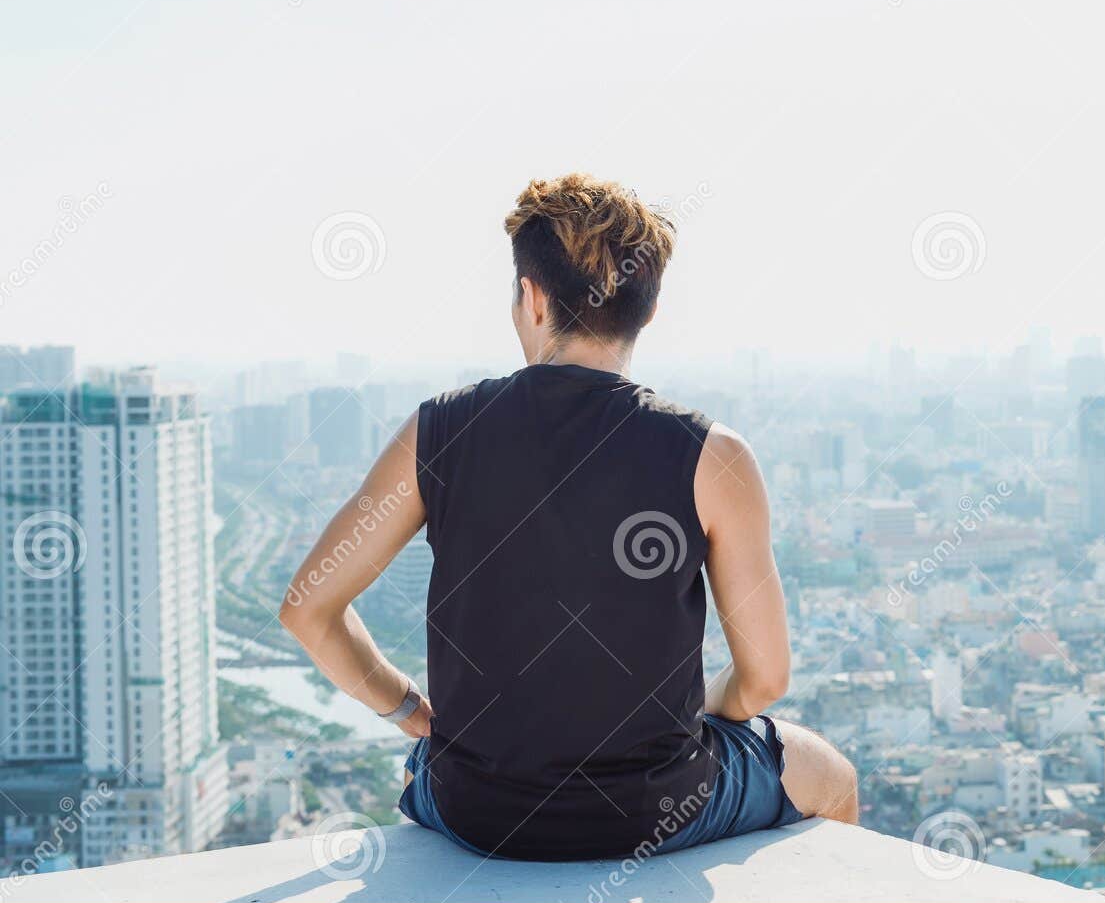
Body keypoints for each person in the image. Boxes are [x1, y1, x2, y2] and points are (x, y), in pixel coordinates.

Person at [278, 174, 857, 861]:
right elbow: (765, 681)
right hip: (655, 810)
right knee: (834, 777)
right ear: (650, 306)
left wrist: (413, 714)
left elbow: (308, 610)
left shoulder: (437, 433)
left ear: (532, 296)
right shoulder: (714, 457)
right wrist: (688, 717)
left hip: (472, 807)